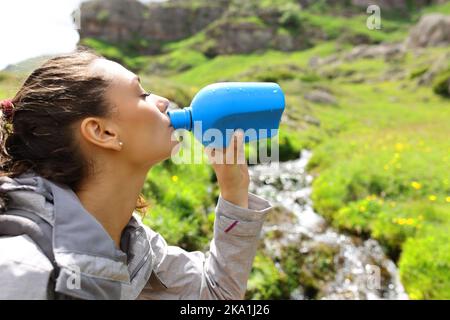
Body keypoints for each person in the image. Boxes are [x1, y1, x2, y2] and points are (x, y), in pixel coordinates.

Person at [0, 50, 272, 300]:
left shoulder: (134, 248)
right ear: (102, 132)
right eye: (142, 95)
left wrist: (233, 192)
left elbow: (215, 295)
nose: (164, 101)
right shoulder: (23, 272)